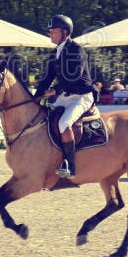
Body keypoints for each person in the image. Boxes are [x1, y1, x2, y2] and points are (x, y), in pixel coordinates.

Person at [33, 14, 94, 179]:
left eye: (53, 31)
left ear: (65, 32)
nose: (50, 34)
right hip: (65, 96)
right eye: (50, 31)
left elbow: (74, 76)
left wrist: (55, 91)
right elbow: (48, 78)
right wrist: (34, 97)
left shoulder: (76, 49)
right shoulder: (55, 53)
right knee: (44, 120)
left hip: (82, 96)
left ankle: (71, 166)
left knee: (63, 123)